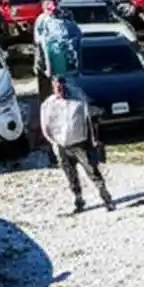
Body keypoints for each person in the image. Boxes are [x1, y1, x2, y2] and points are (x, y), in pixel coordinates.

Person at [39, 77, 113, 215]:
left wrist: (94, 140)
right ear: (52, 87)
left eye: (61, 87)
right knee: (70, 174)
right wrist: (53, 142)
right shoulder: (48, 105)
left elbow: (90, 121)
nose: (59, 90)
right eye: (56, 87)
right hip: (61, 146)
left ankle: (106, 197)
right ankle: (78, 199)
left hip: (80, 144)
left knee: (92, 170)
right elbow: (45, 126)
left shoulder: (78, 99)